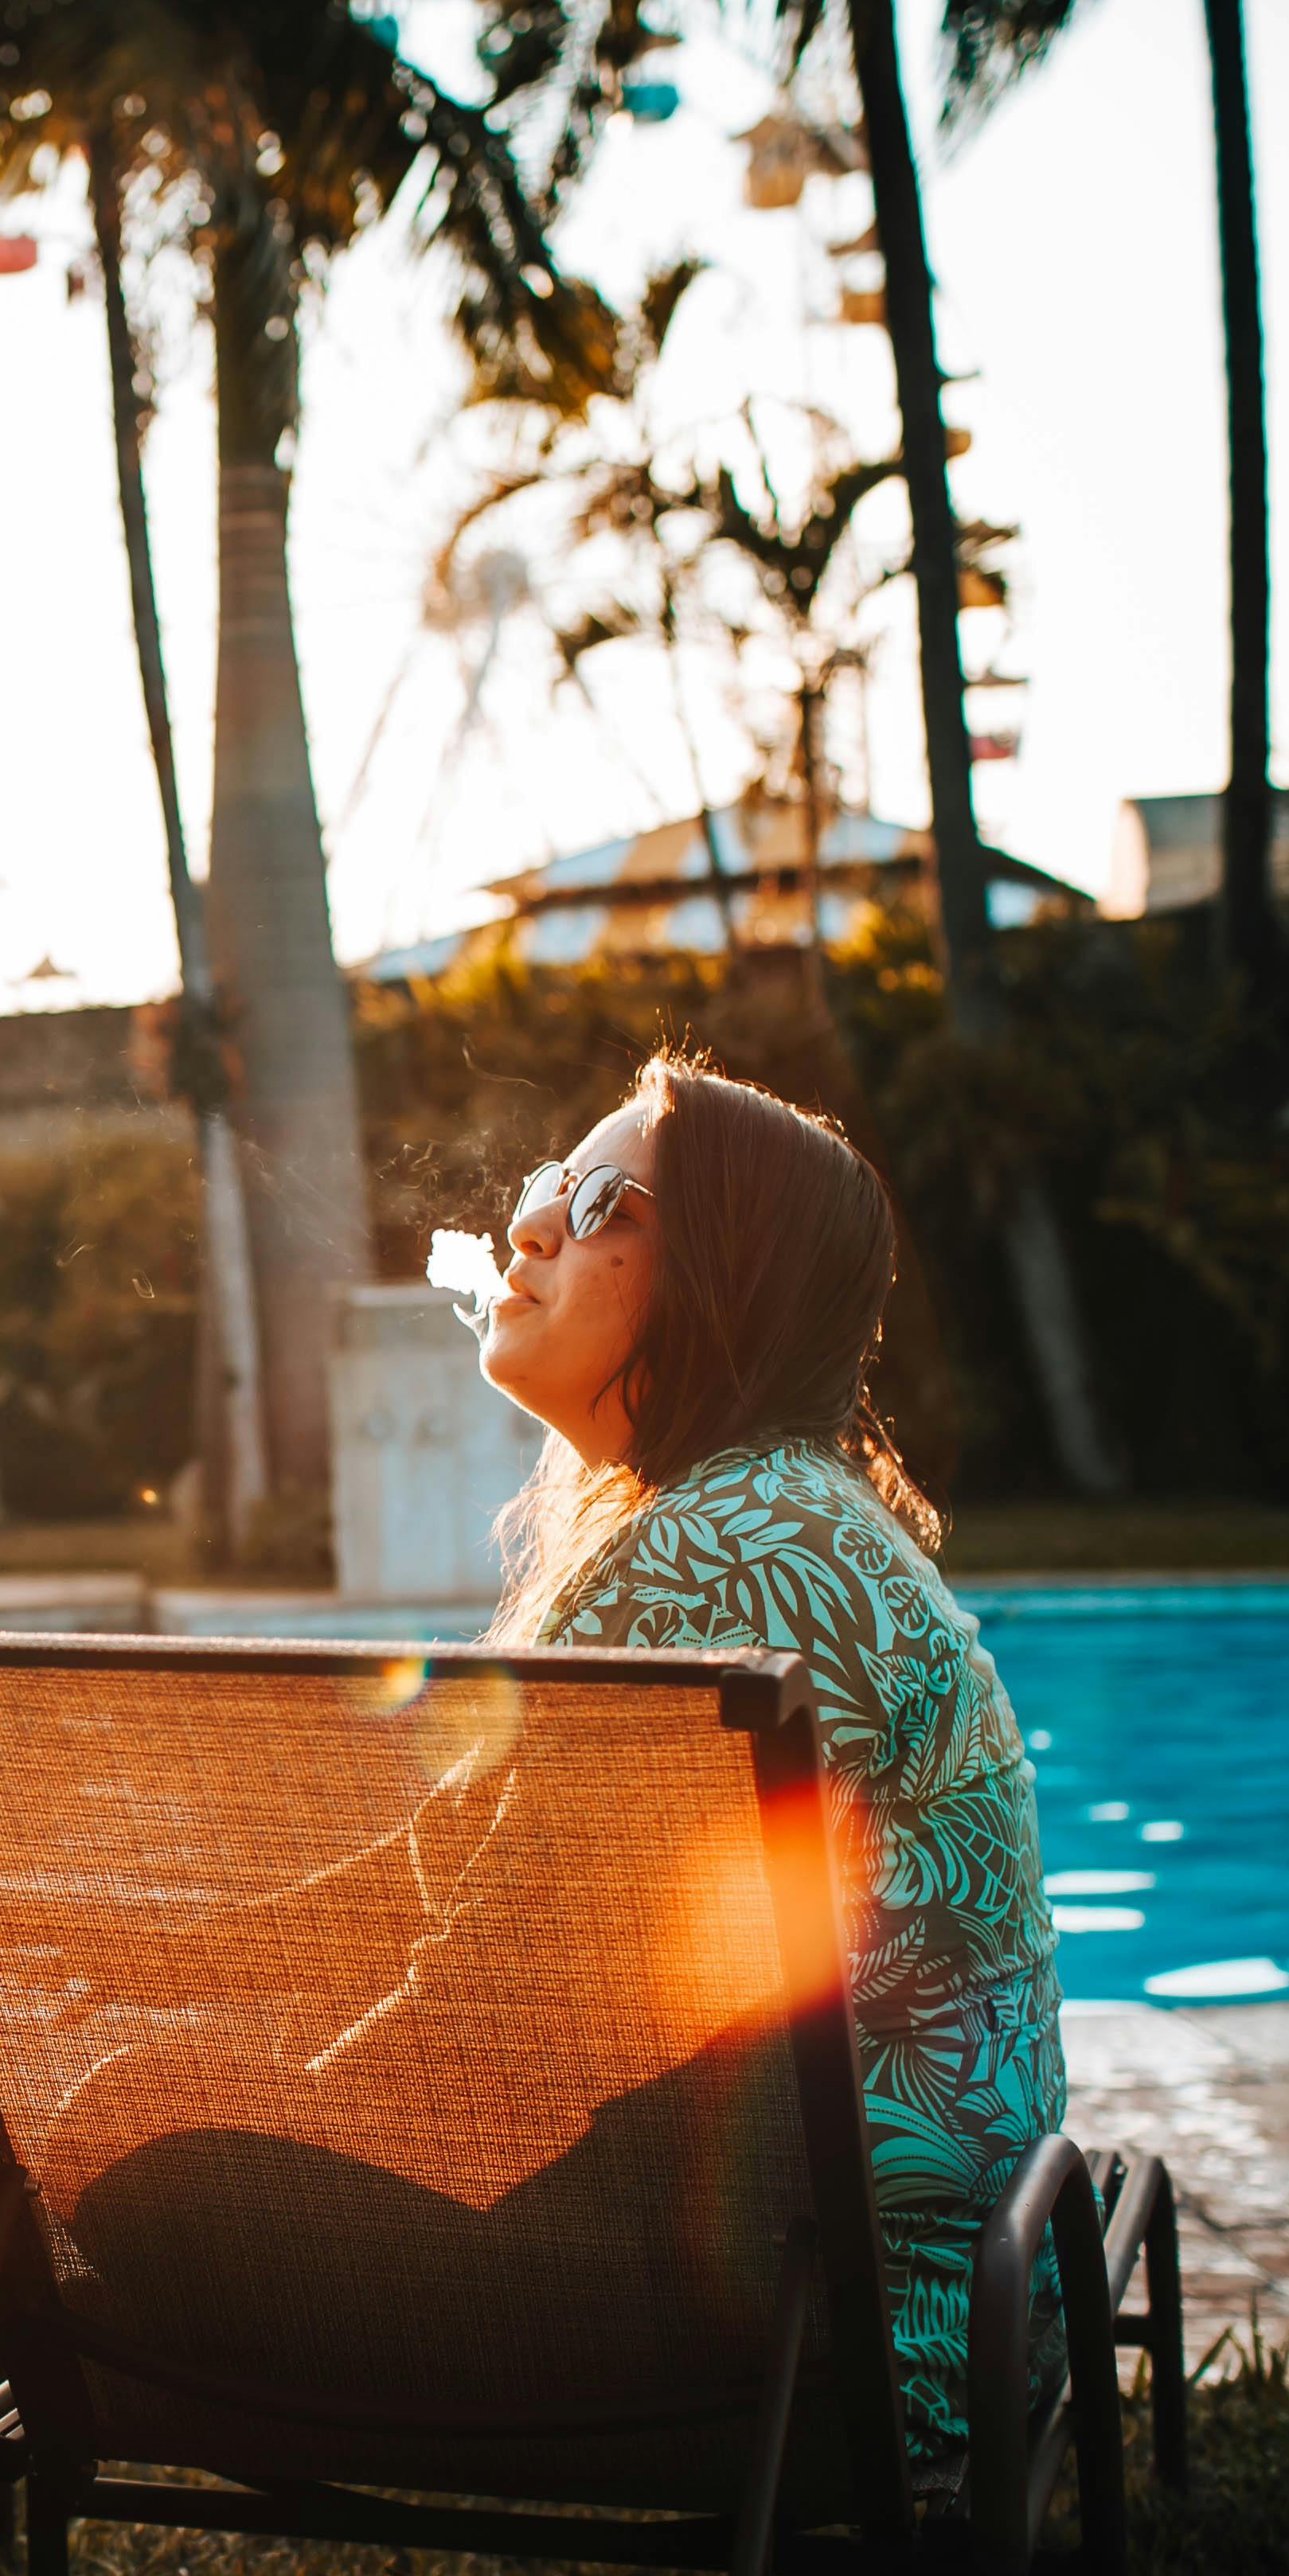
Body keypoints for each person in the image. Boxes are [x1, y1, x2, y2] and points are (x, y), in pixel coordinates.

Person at [472, 1052, 1066, 2463]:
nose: (532, 1225)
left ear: (726, 1281)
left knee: (150, 2178)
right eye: (551, 1184)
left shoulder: (722, 1551)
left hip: (813, 2343)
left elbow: (504, 2020)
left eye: (604, 1204)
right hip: (842, 2300)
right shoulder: (767, 1519)